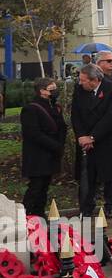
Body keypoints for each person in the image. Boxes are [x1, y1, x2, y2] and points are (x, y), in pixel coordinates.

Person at [70, 63, 112, 218]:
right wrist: (82, 136)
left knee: (111, 173)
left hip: (108, 138)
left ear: (94, 80)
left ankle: (111, 205)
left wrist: (93, 136)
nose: (80, 83)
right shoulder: (79, 90)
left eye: (83, 80)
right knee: (87, 174)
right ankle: (86, 206)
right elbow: (75, 114)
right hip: (85, 139)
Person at [20, 78, 66, 212]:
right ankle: (28, 215)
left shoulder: (54, 106)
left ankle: (39, 214)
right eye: (52, 89)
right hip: (37, 156)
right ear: (42, 91)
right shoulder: (31, 109)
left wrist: (59, 145)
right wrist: (55, 146)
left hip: (51, 155)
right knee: (36, 187)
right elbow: (33, 133)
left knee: (44, 187)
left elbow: (61, 127)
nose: (55, 91)